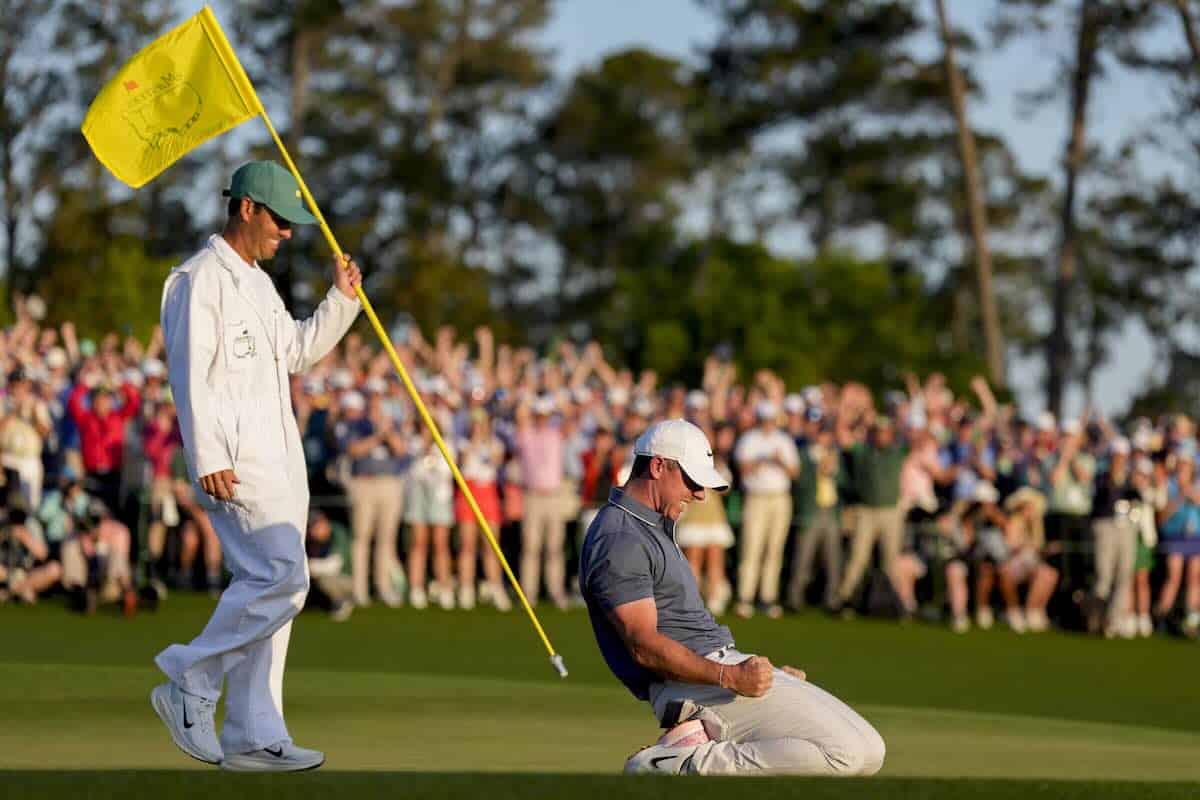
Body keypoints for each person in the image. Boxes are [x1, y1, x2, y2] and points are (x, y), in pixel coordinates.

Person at [150, 161, 362, 772]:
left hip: (281, 461)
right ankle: (190, 678)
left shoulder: (258, 281)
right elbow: (188, 374)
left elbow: (296, 352)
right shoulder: (197, 279)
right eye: (278, 220)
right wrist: (207, 454)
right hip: (236, 463)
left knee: (272, 589)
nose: (287, 234)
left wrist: (341, 300)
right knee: (282, 580)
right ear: (245, 208)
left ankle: (253, 733)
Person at [579, 419, 885, 776]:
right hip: (690, 685)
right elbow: (643, 646)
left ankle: (698, 746)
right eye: (692, 481)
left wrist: (754, 675)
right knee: (844, 755)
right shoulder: (620, 536)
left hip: (716, 667)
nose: (700, 494)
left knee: (870, 750)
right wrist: (730, 677)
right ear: (658, 466)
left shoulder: (651, 525)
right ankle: (675, 764)